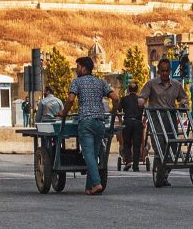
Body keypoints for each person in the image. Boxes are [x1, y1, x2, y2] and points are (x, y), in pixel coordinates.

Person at [60, 56, 119, 195]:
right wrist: (113, 112)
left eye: (78, 67)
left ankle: (97, 184)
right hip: (100, 122)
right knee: (93, 154)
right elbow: (116, 98)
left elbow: (70, 99)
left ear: (84, 68)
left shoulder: (77, 82)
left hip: (86, 122)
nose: (76, 70)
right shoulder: (101, 82)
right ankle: (89, 188)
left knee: (88, 155)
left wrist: (63, 112)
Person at [119, 81, 145, 171]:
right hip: (138, 122)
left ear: (129, 89)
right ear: (137, 90)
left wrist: (120, 121)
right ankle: (136, 166)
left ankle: (128, 161)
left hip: (127, 122)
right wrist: (143, 122)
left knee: (126, 143)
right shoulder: (140, 100)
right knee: (137, 144)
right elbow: (145, 112)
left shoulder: (124, 99)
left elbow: (119, 112)